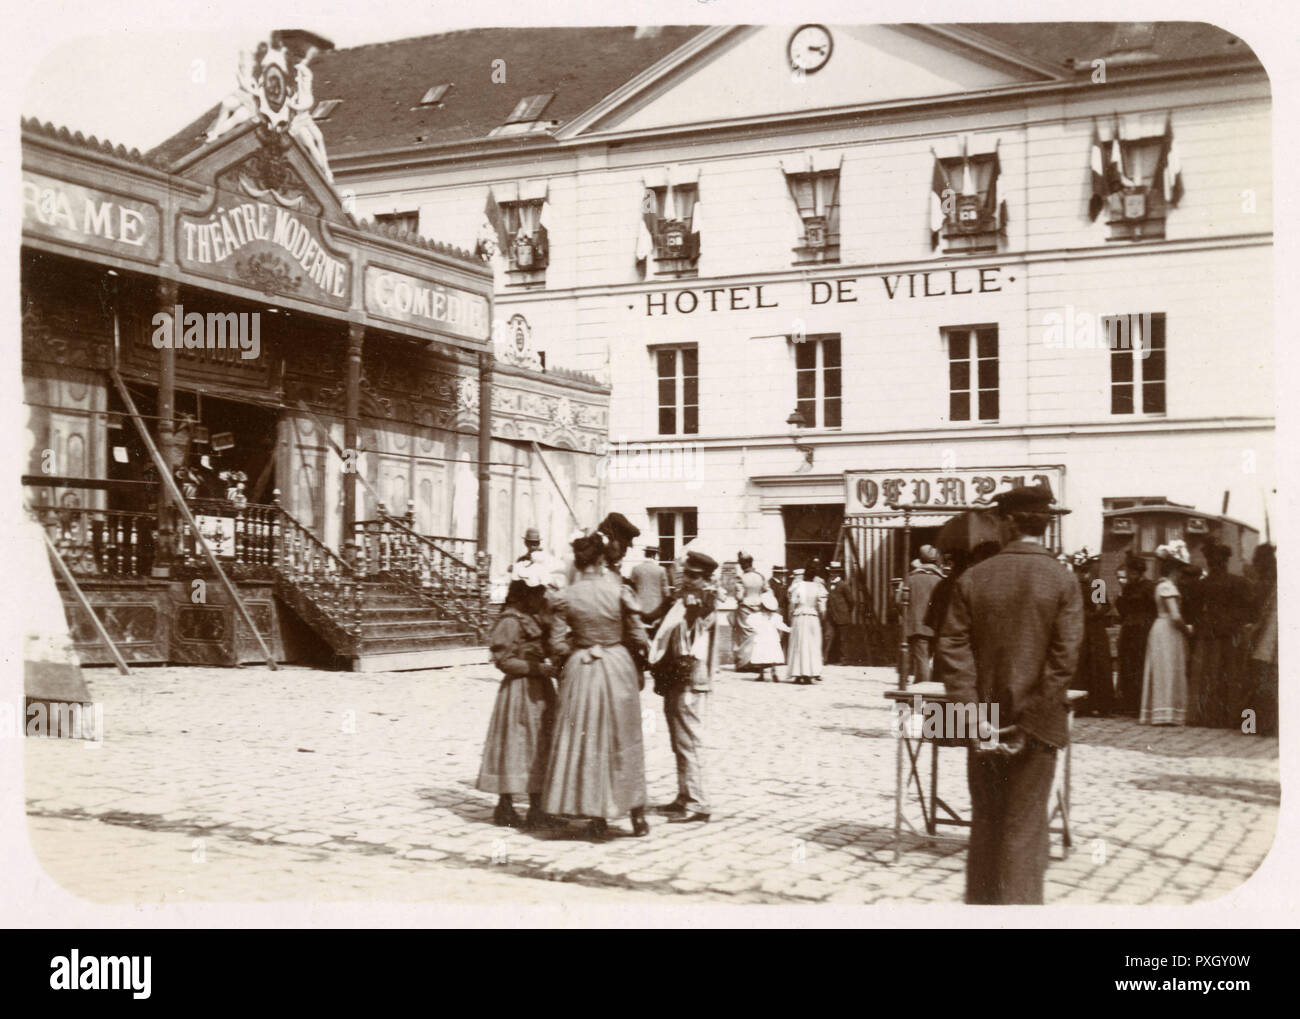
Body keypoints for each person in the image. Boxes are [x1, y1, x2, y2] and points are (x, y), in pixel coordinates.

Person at [936, 481, 1083, 905]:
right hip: (1038, 732)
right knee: (1025, 827)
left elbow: (953, 649)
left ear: (1006, 523)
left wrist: (972, 714)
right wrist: (1032, 721)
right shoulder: (1062, 579)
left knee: (986, 824)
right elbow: (1063, 660)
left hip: (984, 724)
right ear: (1045, 525)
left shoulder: (974, 578)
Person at [541, 532, 651, 839]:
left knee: (587, 739)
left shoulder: (567, 595)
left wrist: (575, 650)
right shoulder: (619, 590)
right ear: (602, 559)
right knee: (623, 738)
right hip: (618, 667)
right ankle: (637, 814)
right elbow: (639, 636)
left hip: (581, 669)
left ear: (578, 561)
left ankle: (595, 815)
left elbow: (558, 643)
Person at [476, 560, 558, 829]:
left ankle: (537, 806)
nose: (541, 597)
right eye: (536, 593)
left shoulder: (535, 617)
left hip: (539, 690)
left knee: (539, 745)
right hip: (519, 690)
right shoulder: (511, 620)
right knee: (517, 746)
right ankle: (506, 806)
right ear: (524, 593)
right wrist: (538, 668)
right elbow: (503, 660)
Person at [648, 549, 721, 823]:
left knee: (690, 741)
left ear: (706, 578)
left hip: (692, 679)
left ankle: (699, 802)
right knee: (679, 741)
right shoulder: (688, 600)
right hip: (678, 678)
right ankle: (684, 795)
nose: (688, 580)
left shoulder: (703, 601)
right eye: (686, 574)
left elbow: (694, 642)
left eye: (694, 576)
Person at [1185, 543, 1254, 727]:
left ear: (1209, 562)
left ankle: (1206, 715)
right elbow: (1249, 610)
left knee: (1208, 674)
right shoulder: (1239, 582)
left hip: (1208, 633)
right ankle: (1229, 716)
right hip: (1230, 633)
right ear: (1226, 561)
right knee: (1230, 673)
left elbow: (1192, 610)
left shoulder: (1202, 584)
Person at [1139, 541, 1192, 726]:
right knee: (1167, 667)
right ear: (1174, 570)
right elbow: (1176, 616)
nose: (1181, 575)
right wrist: (1187, 630)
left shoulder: (1162, 585)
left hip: (1163, 628)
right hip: (1168, 629)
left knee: (1166, 667)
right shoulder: (1167, 586)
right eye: (1180, 571)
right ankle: (1166, 712)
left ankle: (1164, 710)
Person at [1069, 551, 1115, 716]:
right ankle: (1081, 705)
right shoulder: (1070, 585)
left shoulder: (1096, 584)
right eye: (1078, 569)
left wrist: (1093, 615)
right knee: (1080, 664)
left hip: (1094, 629)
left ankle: (1101, 703)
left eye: (1084, 569)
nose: (1082, 573)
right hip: (1077, 628)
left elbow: (1104, 606)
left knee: (1098, 663)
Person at [1114, 553, 1156, 715]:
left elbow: (1154, 608)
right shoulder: (1127, 588)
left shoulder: (1149, 586)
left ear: (1140, 572)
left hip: (1143, 630)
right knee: (1128, 664)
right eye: (1129, 572)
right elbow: (1122, 610)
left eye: (1132, 573)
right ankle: (1128, 702)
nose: (1130, 576)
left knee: (1140, 664)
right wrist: (1120, 597)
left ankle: (1140, 703)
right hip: (1129, 630)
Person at [898, 546, 945, 686]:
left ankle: (922, 693)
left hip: (917, 626)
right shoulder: (941, 580)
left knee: (922, 660)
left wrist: (910, 615)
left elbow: (899, 601)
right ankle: (921, 694)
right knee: (929, 660)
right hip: (937, 627)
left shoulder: (910, 579)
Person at [1245, 544, 1277, 736]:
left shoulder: (1262, 584)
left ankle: (1250, 725)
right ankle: (1269, 725)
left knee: (1257, 680)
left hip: (1264, 637)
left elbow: (1260, 612)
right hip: (1273, 639)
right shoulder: (1275, 581)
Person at [786, 561, 827, 684]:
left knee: (798, 644)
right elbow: (823, 607)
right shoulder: (818, 587)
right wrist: (822, 617)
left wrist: (790, 615)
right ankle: (810, 673)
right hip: (812, 617)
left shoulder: (798, 586)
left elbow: (792, 603)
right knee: (812, 644)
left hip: (799, 616)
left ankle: (798, 673)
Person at [731, 551, 767, 677]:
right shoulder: (760, 576)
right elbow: (766, 591)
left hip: (745, 608)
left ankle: (744, 663)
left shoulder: (741, 578)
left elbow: (739, 596)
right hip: (758, 608)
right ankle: (756, 662)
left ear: (742, 565)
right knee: (755, 634)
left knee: (744, 635)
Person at [748, 589, 788, 681]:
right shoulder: (774, 617)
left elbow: (750, 623)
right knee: (772, 655)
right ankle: (773, 673)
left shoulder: (759, 616)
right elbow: (781, 626)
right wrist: (789, 629)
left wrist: (755, 629)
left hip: (763, 637)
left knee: (762, 654)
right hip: (772, 638)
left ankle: (762, 674)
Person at [629, 545, 671, 634]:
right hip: (656, 609)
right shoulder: (661, 570)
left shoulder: (636, 569)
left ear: (645, 554)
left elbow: (631, 590)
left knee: (642, 633)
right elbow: (666, 592)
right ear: (655, 555)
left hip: (639, 608)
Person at [825, 569, 855, 665]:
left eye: (834, 572)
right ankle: (825, 658)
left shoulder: (844, 585)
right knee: (828, 636)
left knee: (843, 638)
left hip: (842, 616)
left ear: (838, 573)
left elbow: (851, 601)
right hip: (831, 615)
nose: (832, 574)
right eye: (831, 572)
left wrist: (845, 612)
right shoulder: (828, 584)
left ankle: (844, 660)